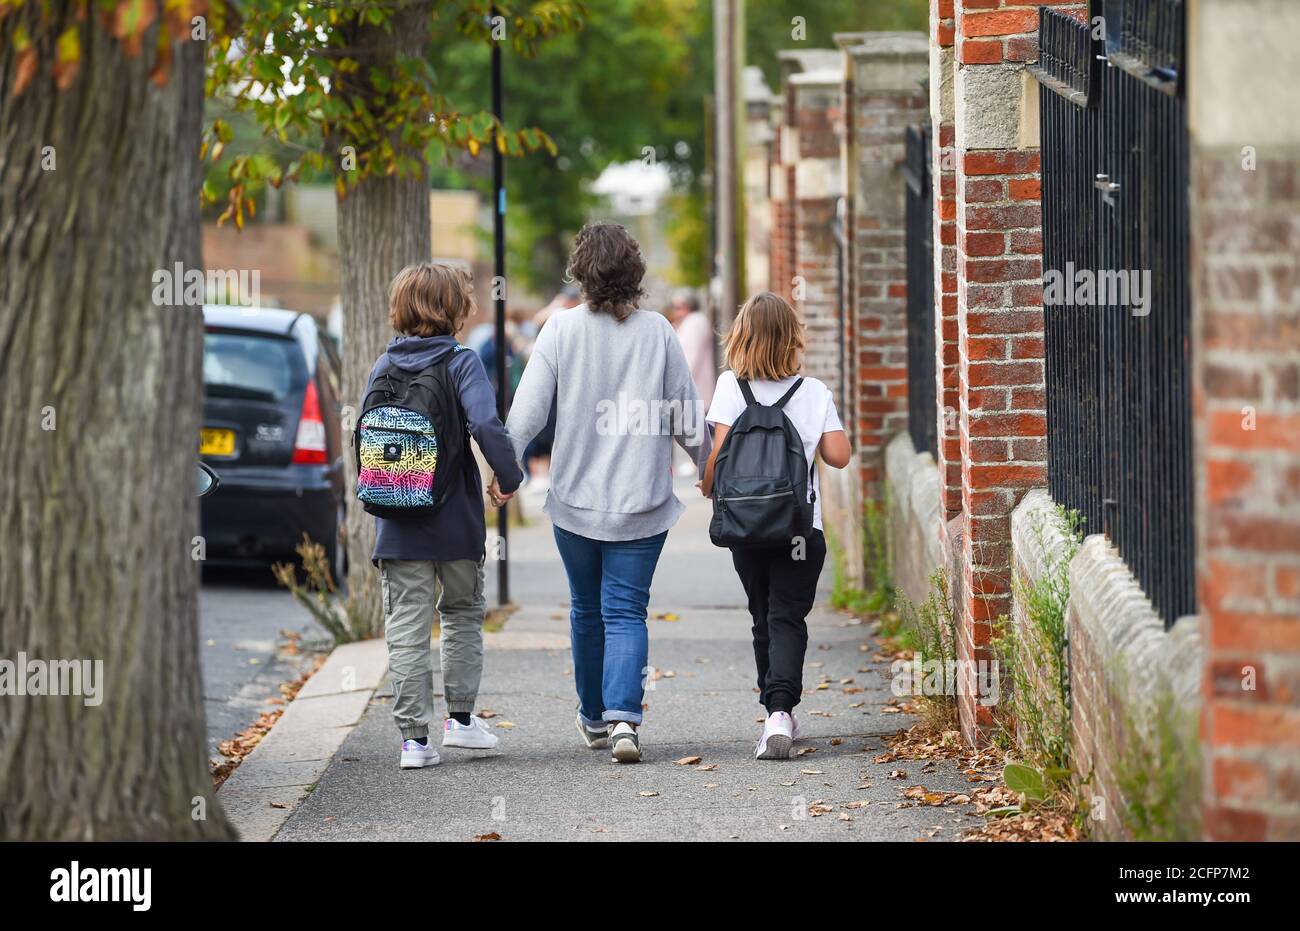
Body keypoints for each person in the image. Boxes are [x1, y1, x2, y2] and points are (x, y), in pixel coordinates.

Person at [501, 223, 710, 764]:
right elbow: (686, 416)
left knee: (585, 609)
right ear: (635, 272)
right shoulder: (659, 331)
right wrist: (710, 468)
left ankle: (594, 715)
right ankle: (624, 720)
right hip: (643, 499)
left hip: (574, 501)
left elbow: (525, 416)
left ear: (580, 271)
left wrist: (503, 473)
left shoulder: (559, 331)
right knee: (627, 610)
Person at [361, 263, 523, 770]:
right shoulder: (462, 361)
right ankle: (461, 723)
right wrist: (508, 476)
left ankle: (414, 742)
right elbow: (486, 424)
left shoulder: (382, 365)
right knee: (460, 616)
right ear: (453, 308)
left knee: (406, 626)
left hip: (397, 520)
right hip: (453, 519)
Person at [699, 292, 852, 760]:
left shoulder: (730, 388)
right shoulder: (814, 392)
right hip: (799, 530)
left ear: (741, 337)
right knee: (788, 615)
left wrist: (708, 487)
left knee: (762, 615)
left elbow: (716, 465)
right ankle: (780, 712)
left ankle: (774, 709)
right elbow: (839, 458)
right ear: (793, 339)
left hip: (746, 528)